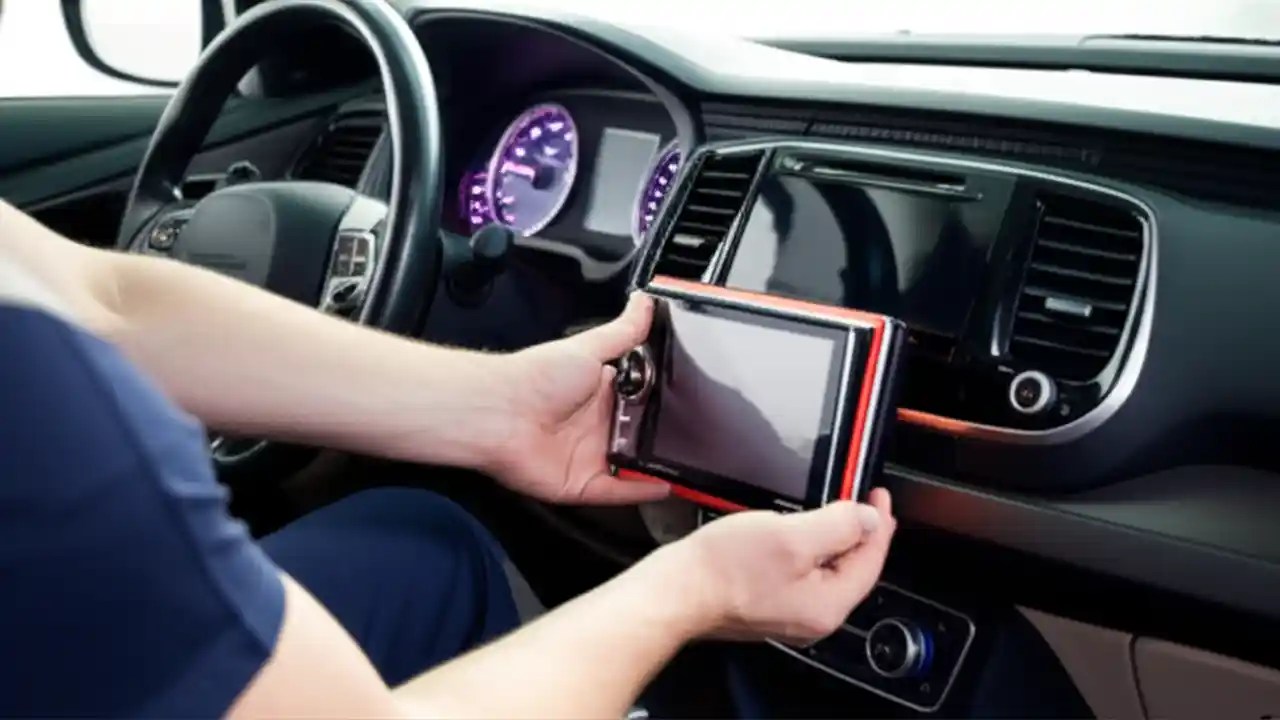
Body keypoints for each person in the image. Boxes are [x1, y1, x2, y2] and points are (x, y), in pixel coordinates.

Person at [0, 198, 896, 718]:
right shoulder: (45, 438)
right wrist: (686, 592)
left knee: (425, 543)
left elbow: (101, 296)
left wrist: (496, 410)